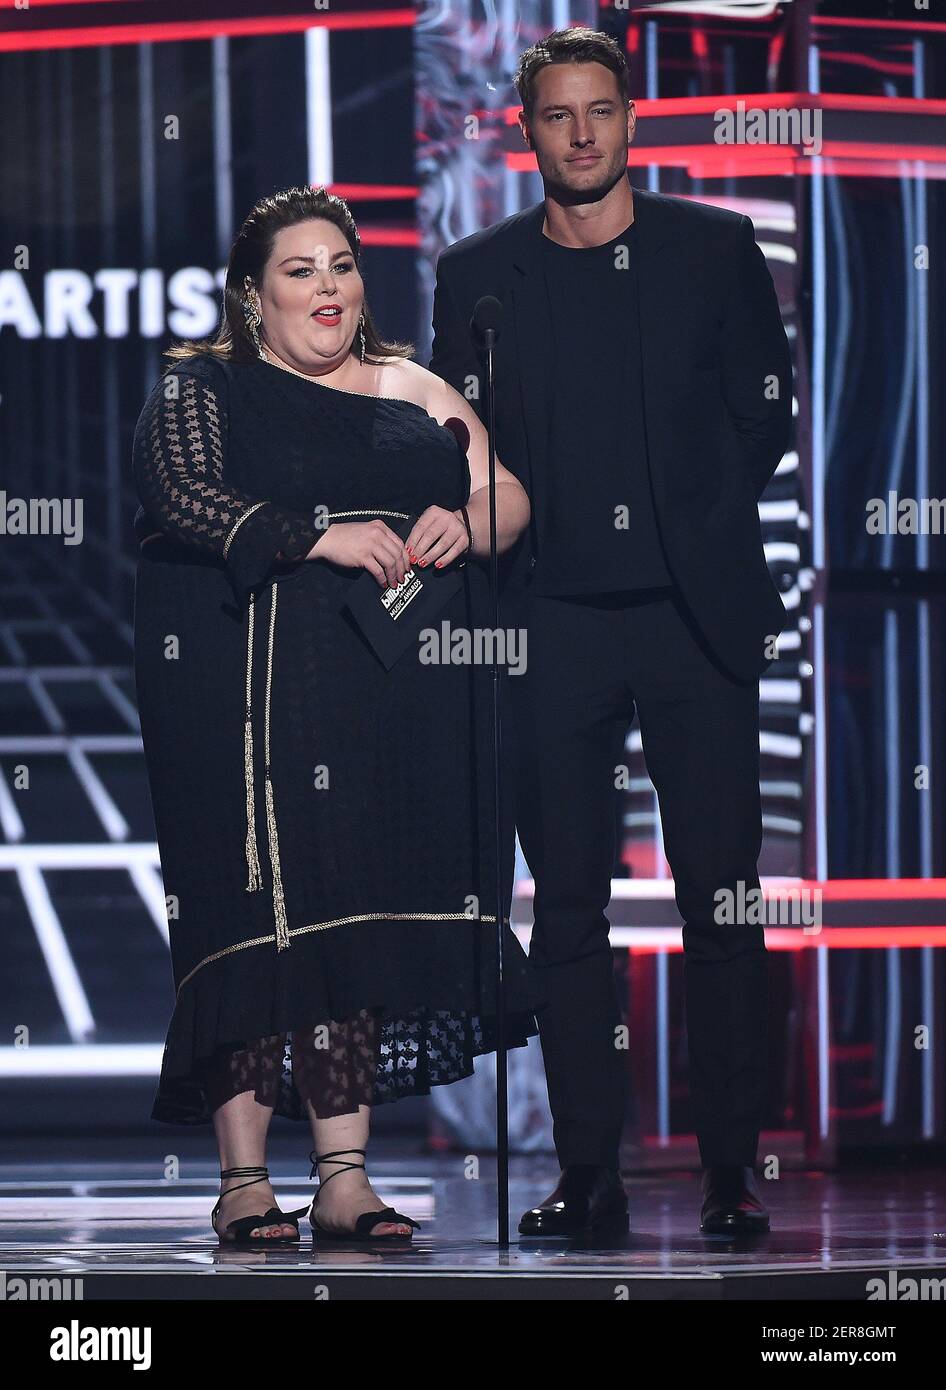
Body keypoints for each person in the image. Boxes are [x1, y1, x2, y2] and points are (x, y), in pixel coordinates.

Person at [428, 28, 792, 1236]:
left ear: (629, 120)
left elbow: (763, 416)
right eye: (555, 116)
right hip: (550, 621)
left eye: (599, 111)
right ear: (525, 132)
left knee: (722, 897)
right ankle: (589, 1174)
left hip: (693, 618)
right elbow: (455, 447)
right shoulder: (476, 275)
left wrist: (688, 521)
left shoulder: (713, 248)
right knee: (567, 907)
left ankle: (731, 1170)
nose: (580, 135)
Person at [131, 185, 538, 1245]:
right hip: (240, 695)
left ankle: (346, 1177)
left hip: (382, 700)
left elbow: (509, 499)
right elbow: (180, 495)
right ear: (253, 299)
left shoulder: (409, 384)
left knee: (351, 911)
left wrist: (460, 516)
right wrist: (318, 532)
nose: (326, 287)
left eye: (341, 266)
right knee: (252, 911)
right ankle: (243, 1179)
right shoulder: (204, 388)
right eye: (298, 271)